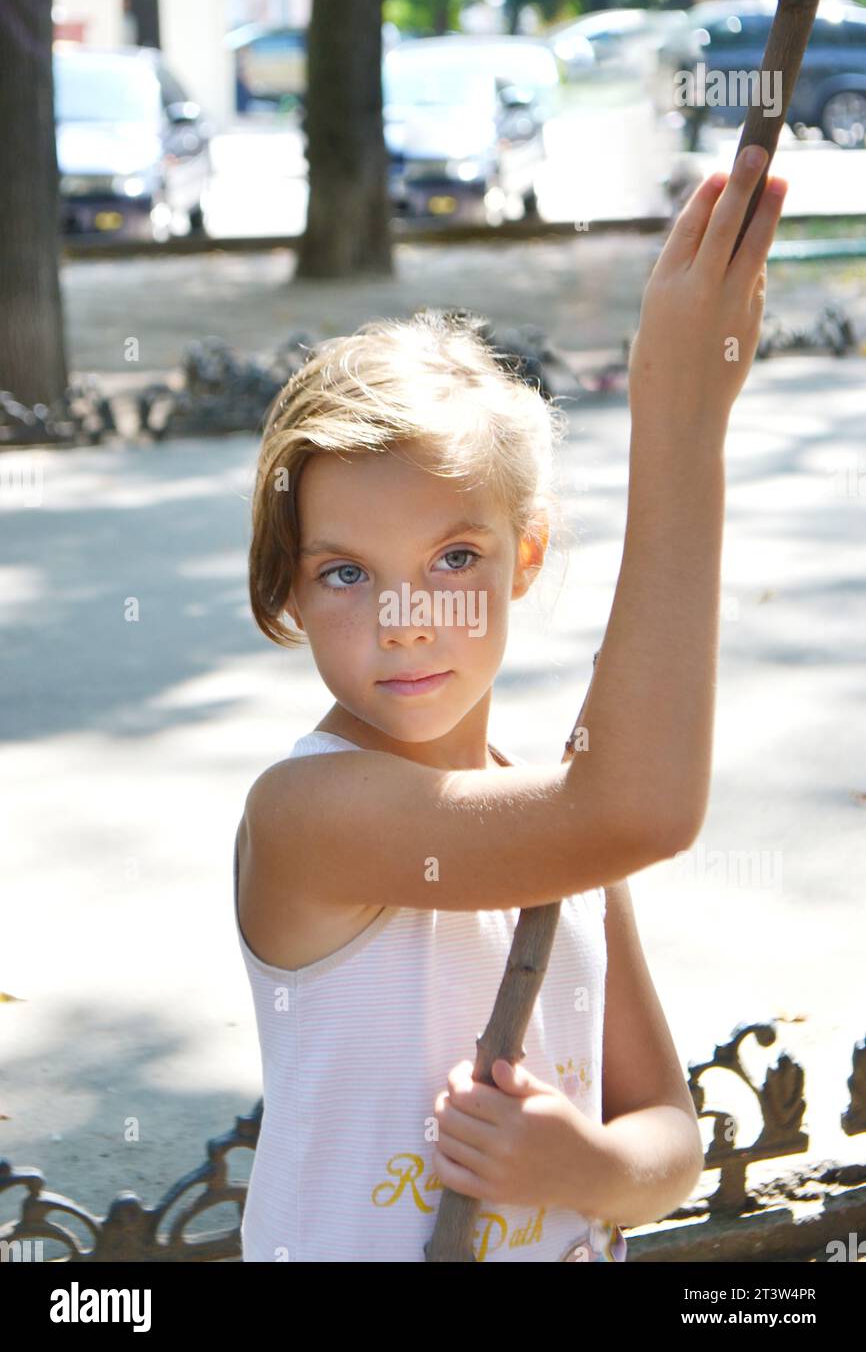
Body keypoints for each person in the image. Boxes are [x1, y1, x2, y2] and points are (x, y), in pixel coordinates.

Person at [234, 146, 787, 1262]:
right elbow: (628, 805)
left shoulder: (556, 826)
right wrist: (678, 418)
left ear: (523, 554)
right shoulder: (304, 815)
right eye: (346, 572)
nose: (405, 618)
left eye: (450, 556)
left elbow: (665, 1132)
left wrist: (583, 1168)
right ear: (287, 586)